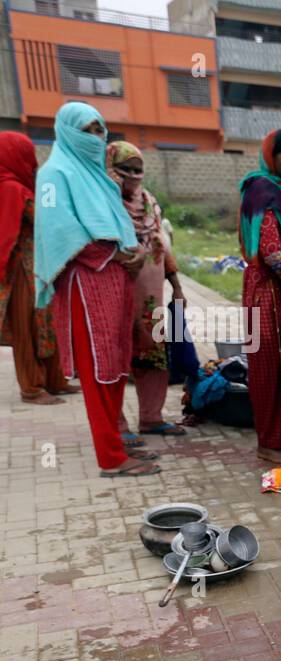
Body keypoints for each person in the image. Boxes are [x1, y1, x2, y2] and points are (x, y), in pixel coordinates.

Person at [35, 102, 156, 477]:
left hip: (116, 278)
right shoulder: (54, 174)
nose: (94, 137)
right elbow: (60, 230)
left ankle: (117, 445)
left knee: (117, 364)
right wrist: (117, 254)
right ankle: (110, 458)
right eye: (85, 130)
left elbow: (120, 225)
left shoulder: (99, 177)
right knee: (97, 368)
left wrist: (133, 253)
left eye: (99, 130)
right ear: (66, 131)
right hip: (86, 282)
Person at [107, 141, 186, 438]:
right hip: (115, 299)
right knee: (115, 361)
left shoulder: (150, 202)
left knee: (153, 357)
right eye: (124, 170)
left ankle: (151, 417)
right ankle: (116, 426)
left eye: (138, 170)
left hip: (151, 301)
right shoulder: (102, 203)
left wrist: (177, 287)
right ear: (110, 169)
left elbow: (161, 247)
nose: (132, 176)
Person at [239, 129, 281, 465]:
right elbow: (268, 248)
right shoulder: (261, 188)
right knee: (266, 365)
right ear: (272, 157)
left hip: (277, 287)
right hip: (262, 289)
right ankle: (268, 443)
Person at [1, 131, 70, 405]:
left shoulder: (21, 186)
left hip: (38, 268)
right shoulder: (11, 188)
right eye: (28, 154)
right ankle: (31, 387)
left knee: (47, 323)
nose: (33, 162)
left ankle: (54, 379)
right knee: (25, 327)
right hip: (18, 271)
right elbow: (40, 217)